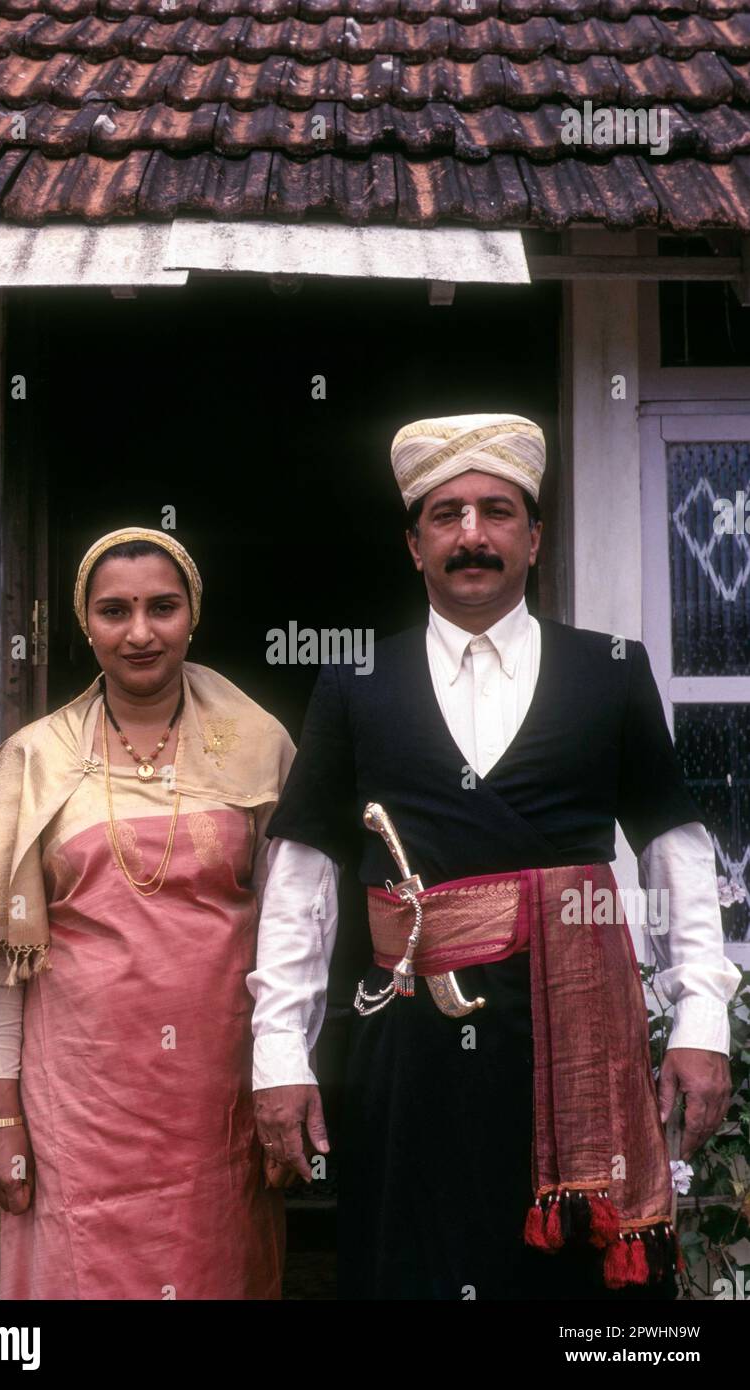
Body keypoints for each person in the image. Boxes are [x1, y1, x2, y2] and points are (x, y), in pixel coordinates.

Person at [248, 413, 742, 1300]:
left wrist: (701, 1023)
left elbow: (673, 848)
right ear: (413, 545)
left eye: (496, 511)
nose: (471, 535)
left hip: (576, 1038)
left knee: (579, 1291)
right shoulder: (354, 682)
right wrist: (279, 1052)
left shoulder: (611, 672)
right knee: (411, 1265)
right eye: (446, 515)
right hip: (405, 1040)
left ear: (534, 536)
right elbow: (303, 876)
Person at [0, 526, 295, 1300]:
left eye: (163, 607)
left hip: (213, 1100)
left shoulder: (257, 744)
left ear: (194, 615)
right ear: (84, 624)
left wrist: (283, 1077)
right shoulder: (36, 755)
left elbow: (294, 931)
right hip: (76, 1105)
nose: (141, 632)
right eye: (114, 611)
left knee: (215, 1270)